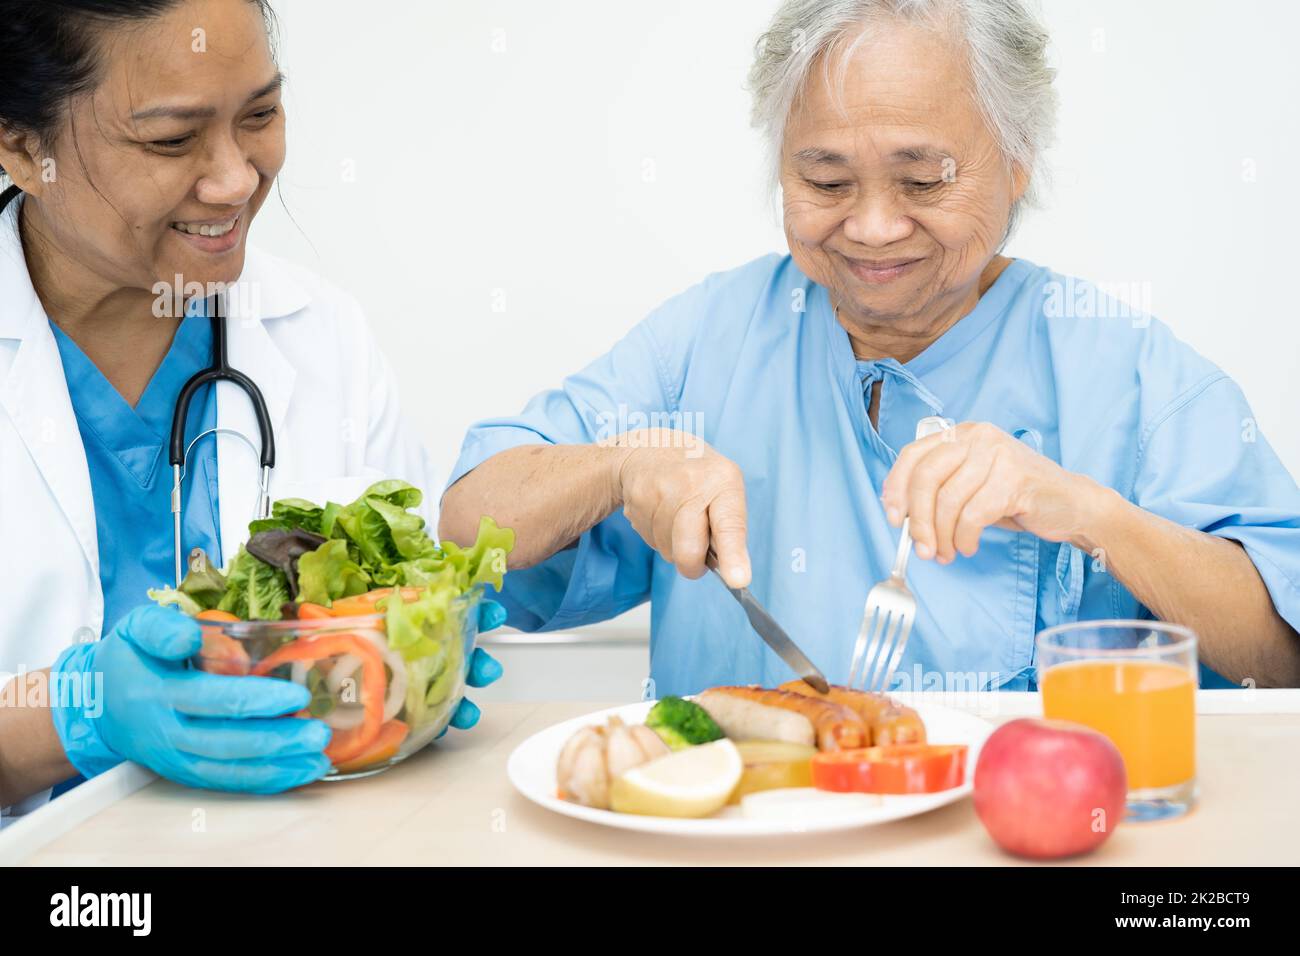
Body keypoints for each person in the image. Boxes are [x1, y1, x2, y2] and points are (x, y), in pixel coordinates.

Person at [440, 0, 1300, 698]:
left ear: (1017, 163)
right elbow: (467, 524)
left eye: (924, 180)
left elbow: (1283, 654)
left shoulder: (1127, 368)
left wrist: (1094, 516)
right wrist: (622, 466)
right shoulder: (711, 333)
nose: (874, 227)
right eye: (825, 181)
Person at [0, 0, 501, 821]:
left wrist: (410, 668)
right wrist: (72, 716)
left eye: (260, 114)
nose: (236, 178)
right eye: (170, 139)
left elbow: (381, 644)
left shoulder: (322, 332)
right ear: (23, 146)